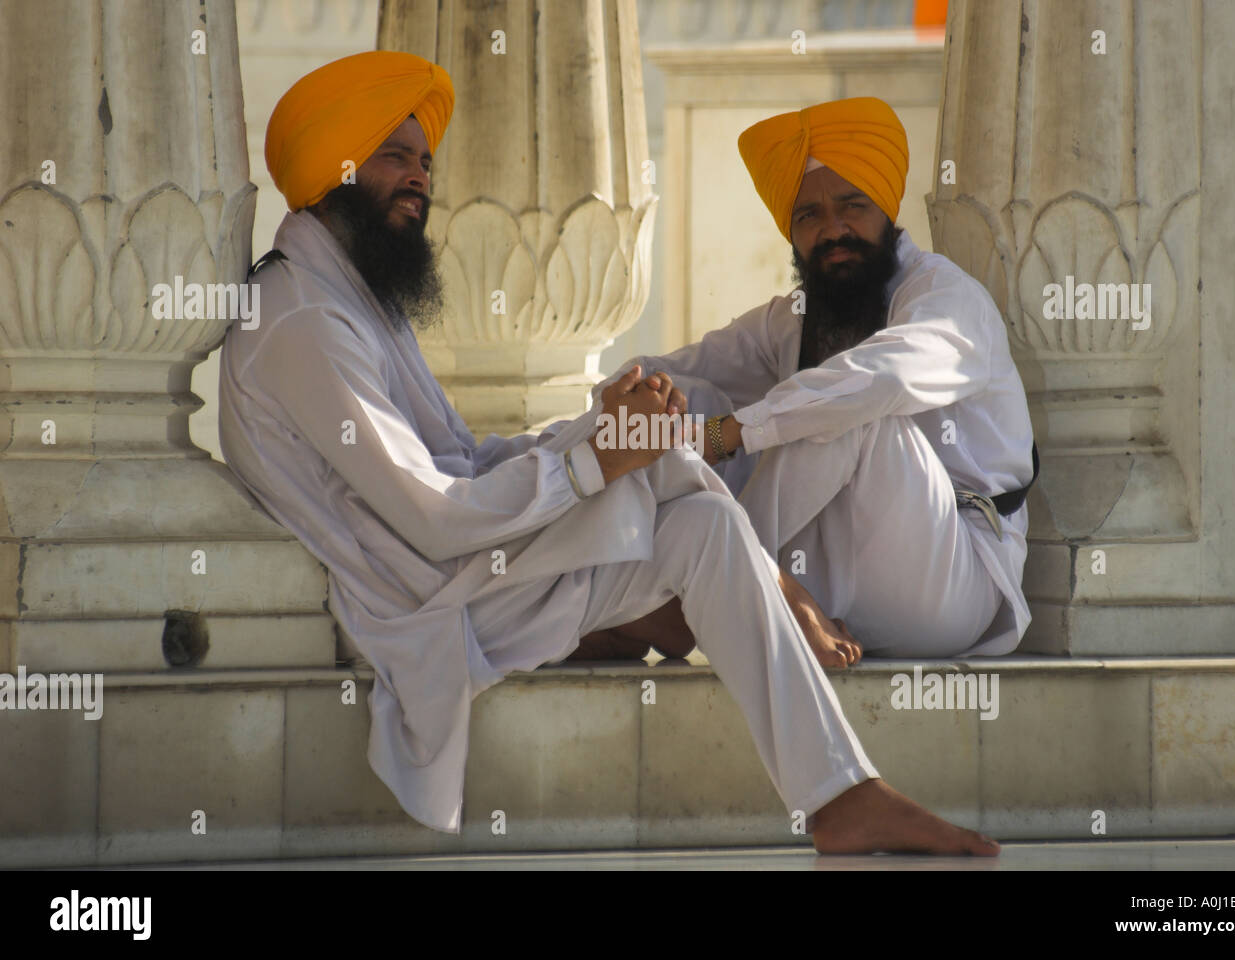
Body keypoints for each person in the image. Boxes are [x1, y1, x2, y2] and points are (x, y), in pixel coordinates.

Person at [218, 52, 999, 855]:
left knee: (695, 517)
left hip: (457, 571)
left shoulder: (349, 297)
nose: (420, 176)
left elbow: (462, 456)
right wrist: (597, 454)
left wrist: (612, 433)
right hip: (418, 595)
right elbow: (437, 518)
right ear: (333, 164)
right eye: (396, 155)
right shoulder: (303, 320)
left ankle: (839, 792)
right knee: (673, 471)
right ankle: (756, 602)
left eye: (424, 160)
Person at [597, 96, 1037, 663]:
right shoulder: (791, 320)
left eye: (852, 205)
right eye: (808, 215)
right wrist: (626, 401)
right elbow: (666, 372)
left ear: (885, 207)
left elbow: (878, 380)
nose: (833, 229)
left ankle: (705, 589)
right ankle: (708, 585)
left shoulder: (947, 298)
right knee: (675, 404)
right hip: (832, 583)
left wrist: (722, 435)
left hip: (951, 584)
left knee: (847, 409)